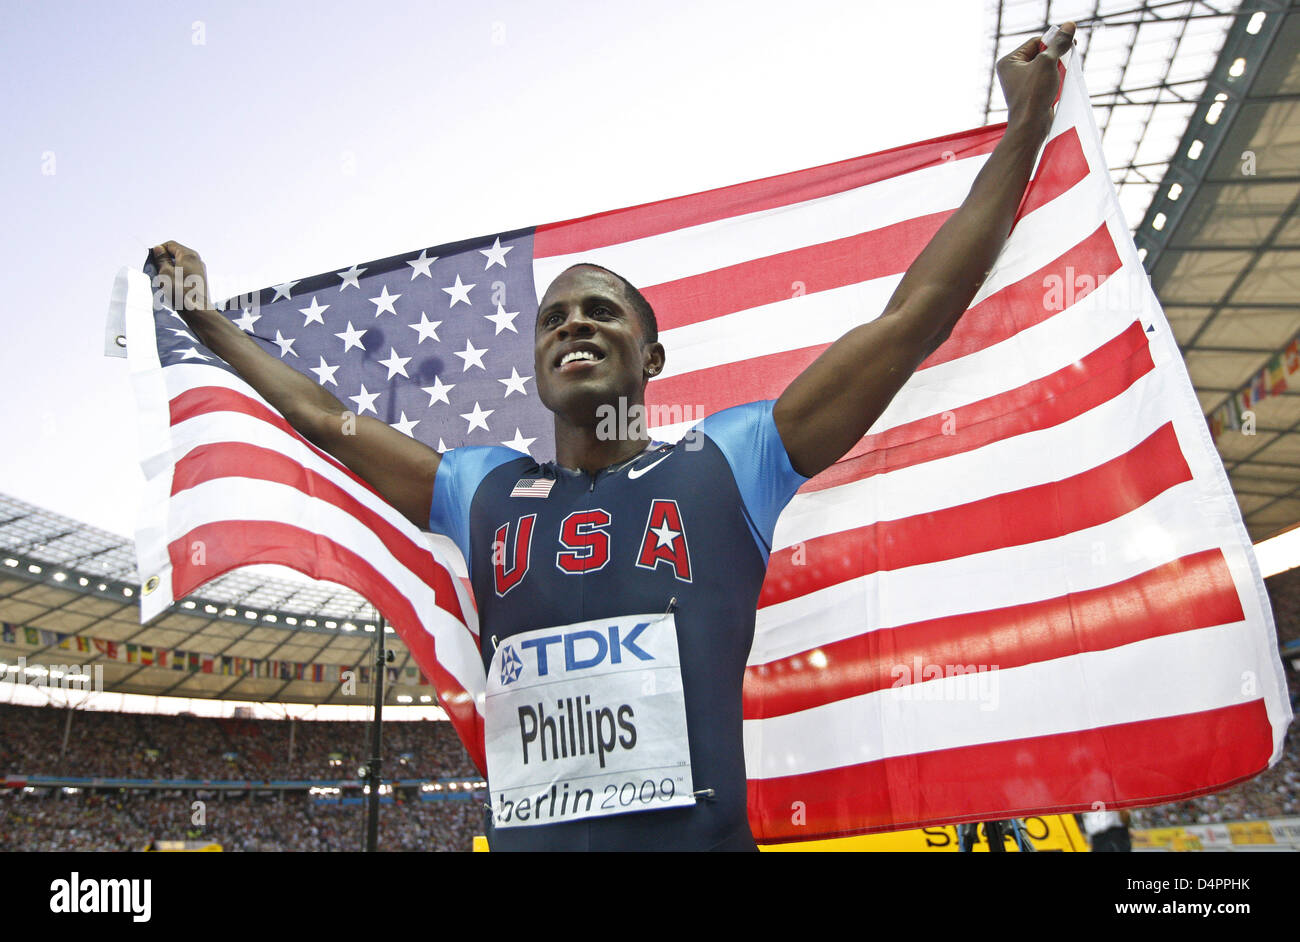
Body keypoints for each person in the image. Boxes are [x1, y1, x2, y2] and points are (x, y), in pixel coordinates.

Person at [150, 22, 1076, 850]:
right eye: (555, 319)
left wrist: (1024, 127)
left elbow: (913, 313)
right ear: (538, 366)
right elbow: (322, 419)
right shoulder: (480, 487)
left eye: (601, 312)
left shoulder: (733, 461)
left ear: (653, 355)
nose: (574, 326)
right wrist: (209, 323)